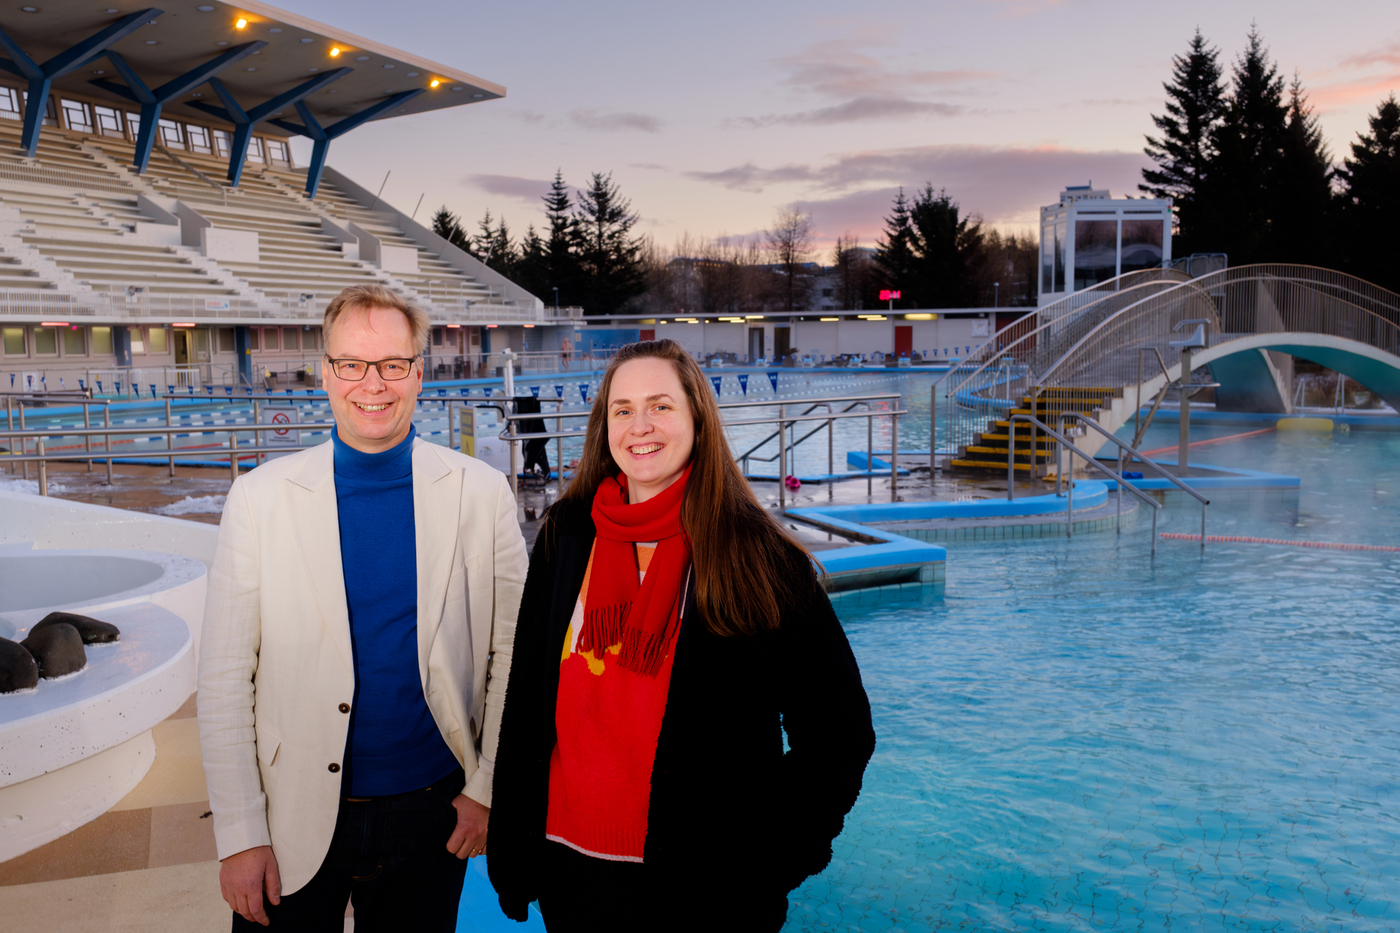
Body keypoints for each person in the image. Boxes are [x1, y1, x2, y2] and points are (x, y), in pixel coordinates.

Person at [488, 339, 876, 932]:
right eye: (622, 410)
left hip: (706, 891)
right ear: (605, 427)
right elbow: (527, 700)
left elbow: (838, 734)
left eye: (661, 406)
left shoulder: (757, 557)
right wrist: (517, 850)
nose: (640, 426)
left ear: (697, 417)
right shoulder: (568, 536)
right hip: (573, 880)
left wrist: (775, 860)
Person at [198, 284, 528, 930]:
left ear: (418, 374)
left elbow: (512, 655)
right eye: (351, 363)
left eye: (392, 364)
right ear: (325, 371)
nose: (371, 384)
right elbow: (224, 678)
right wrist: (239, 831)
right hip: (290, 810)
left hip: (430, 811)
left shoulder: (481, 494)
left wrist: (486, 789)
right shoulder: (260, 500)